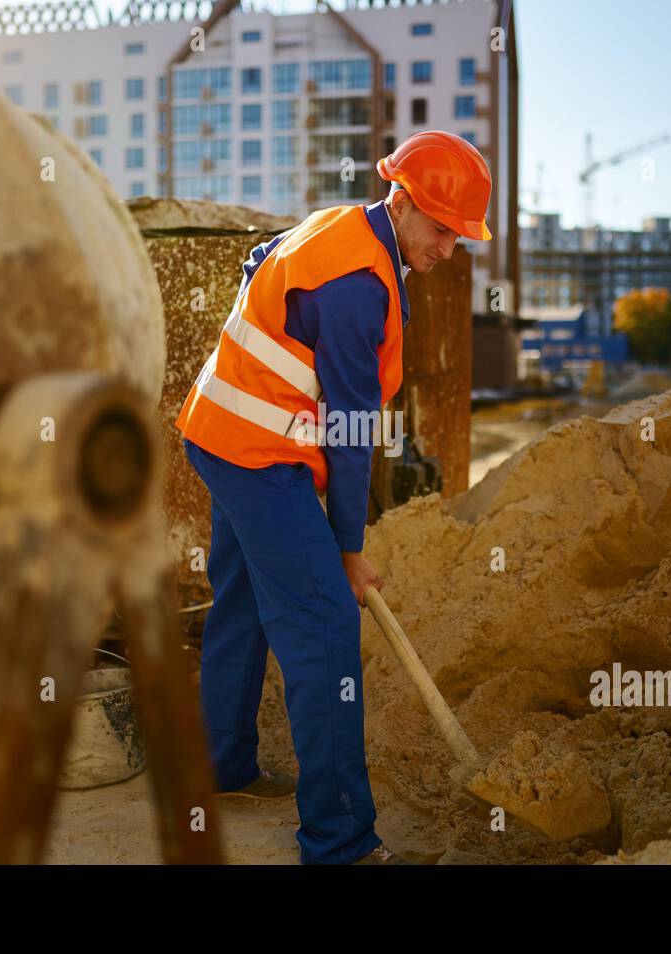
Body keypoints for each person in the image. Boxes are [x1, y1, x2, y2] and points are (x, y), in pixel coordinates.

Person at [175, 130, 493, 865]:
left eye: (460, 237)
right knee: (322, 634)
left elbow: (259, 260)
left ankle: (221, 768)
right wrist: (347, 550)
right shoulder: (357, 289)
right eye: (443, 230)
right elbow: (353, 435)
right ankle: (341, 842)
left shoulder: (343, 225)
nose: (449, 250)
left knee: (245, 599)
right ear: (403, 199)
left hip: (219, 428)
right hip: (258, 456)